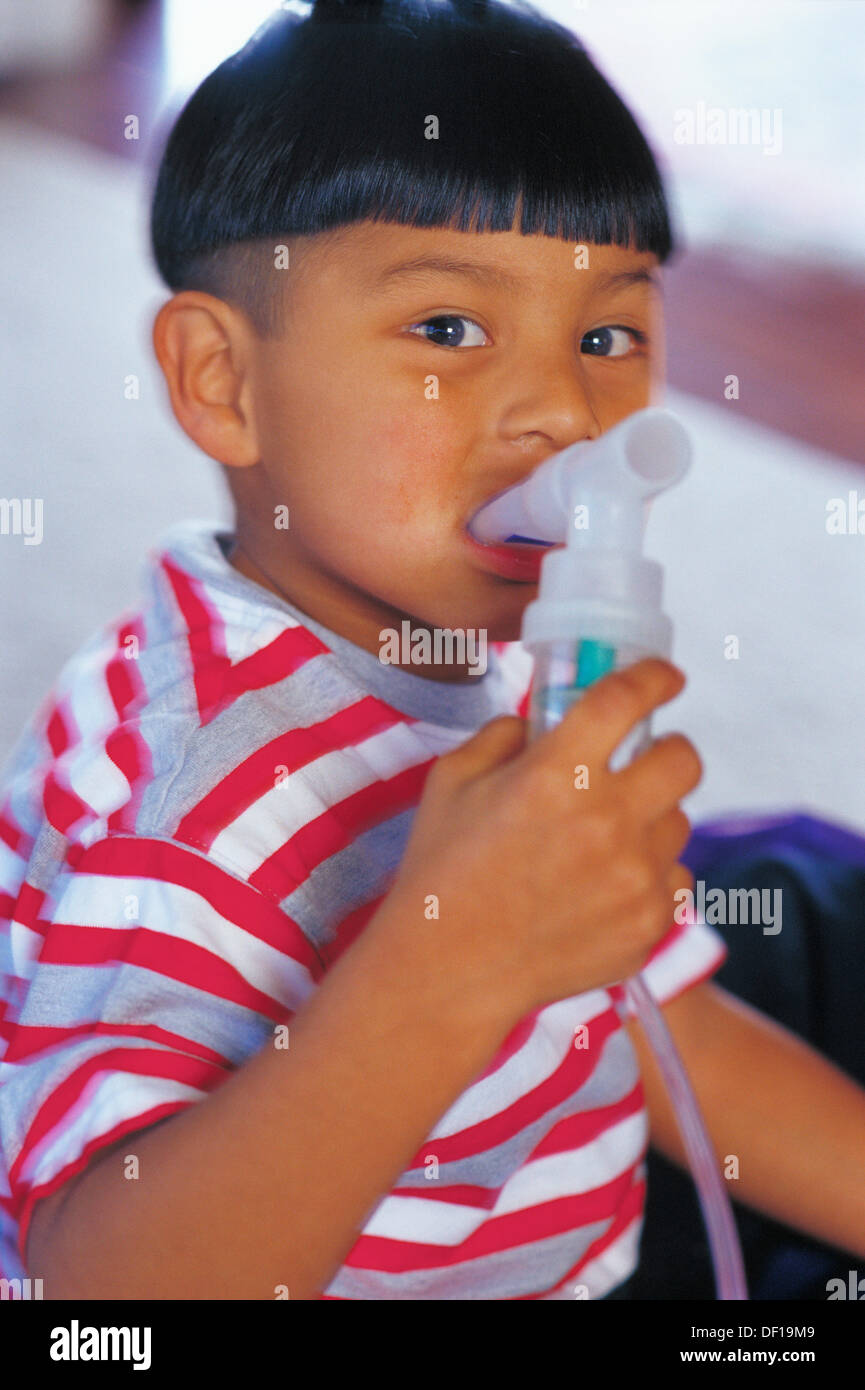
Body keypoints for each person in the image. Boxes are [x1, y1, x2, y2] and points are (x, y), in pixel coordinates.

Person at [1, 0, 863, 1301]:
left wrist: (545, 923)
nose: (565, 412)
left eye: (607, 335)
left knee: (804, 889)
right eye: (450, 330)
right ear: (223, 382)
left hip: (558, 1207)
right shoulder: (189, 810)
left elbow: (654, 1022)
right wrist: (448, 961)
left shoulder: (452, 632)